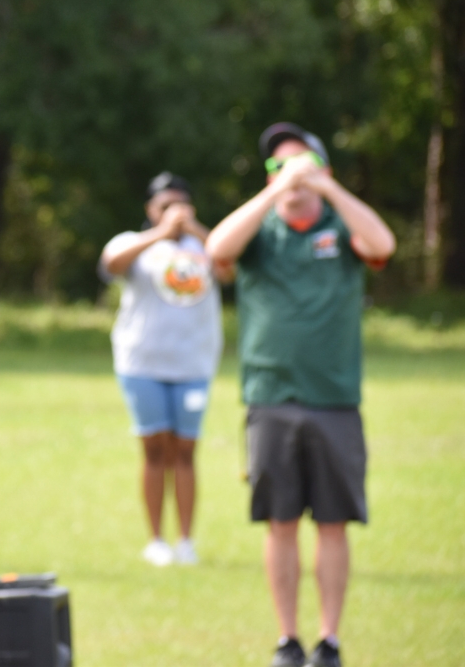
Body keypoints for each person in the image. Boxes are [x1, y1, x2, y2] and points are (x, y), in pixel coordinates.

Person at [206, 123, 395, 667]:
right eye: (277, 166)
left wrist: (329, 189)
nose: (290, 174)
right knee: (280, 521)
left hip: (334, 399)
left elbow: (382, 246)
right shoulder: (261, 232)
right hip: (270, 399)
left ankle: (329, 640)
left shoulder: (342, 225)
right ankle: (288, 640)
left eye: (301, 164)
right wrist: (272, 192)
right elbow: (217, 248)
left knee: (333, 522)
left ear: (324, 169)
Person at [99, 172, 226, 567]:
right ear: (150, 209)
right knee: (154, 450)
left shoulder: (204, 245)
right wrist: (160, 234)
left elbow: (229, 267)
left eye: (180, 204)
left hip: (193, 363)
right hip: (143, 364)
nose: (173, 212)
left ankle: (186, 540)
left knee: (185, 451)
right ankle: (156, 540)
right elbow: (111, 265)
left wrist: (194, 231)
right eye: (164, 205)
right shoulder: (133, 243)